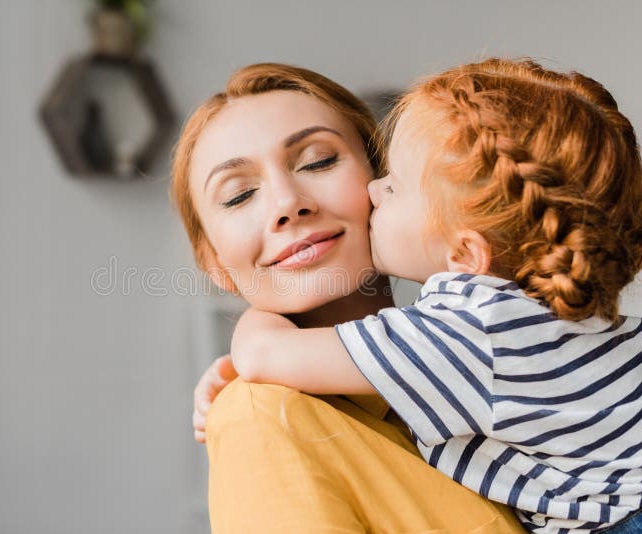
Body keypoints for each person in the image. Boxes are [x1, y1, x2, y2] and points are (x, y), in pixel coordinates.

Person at [229, 59, 642, 533]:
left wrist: (252, 316)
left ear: (466, 252)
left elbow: (264, 355)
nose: (374, 189)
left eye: (395, 185)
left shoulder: (469, 333)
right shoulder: (548, 318)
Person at [173, 63, 525, 533]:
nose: (287, 204)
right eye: (238, 196)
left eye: (318, 161)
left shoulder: (493, 341)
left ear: (387, 186)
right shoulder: (262, 417)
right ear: (214, 263)